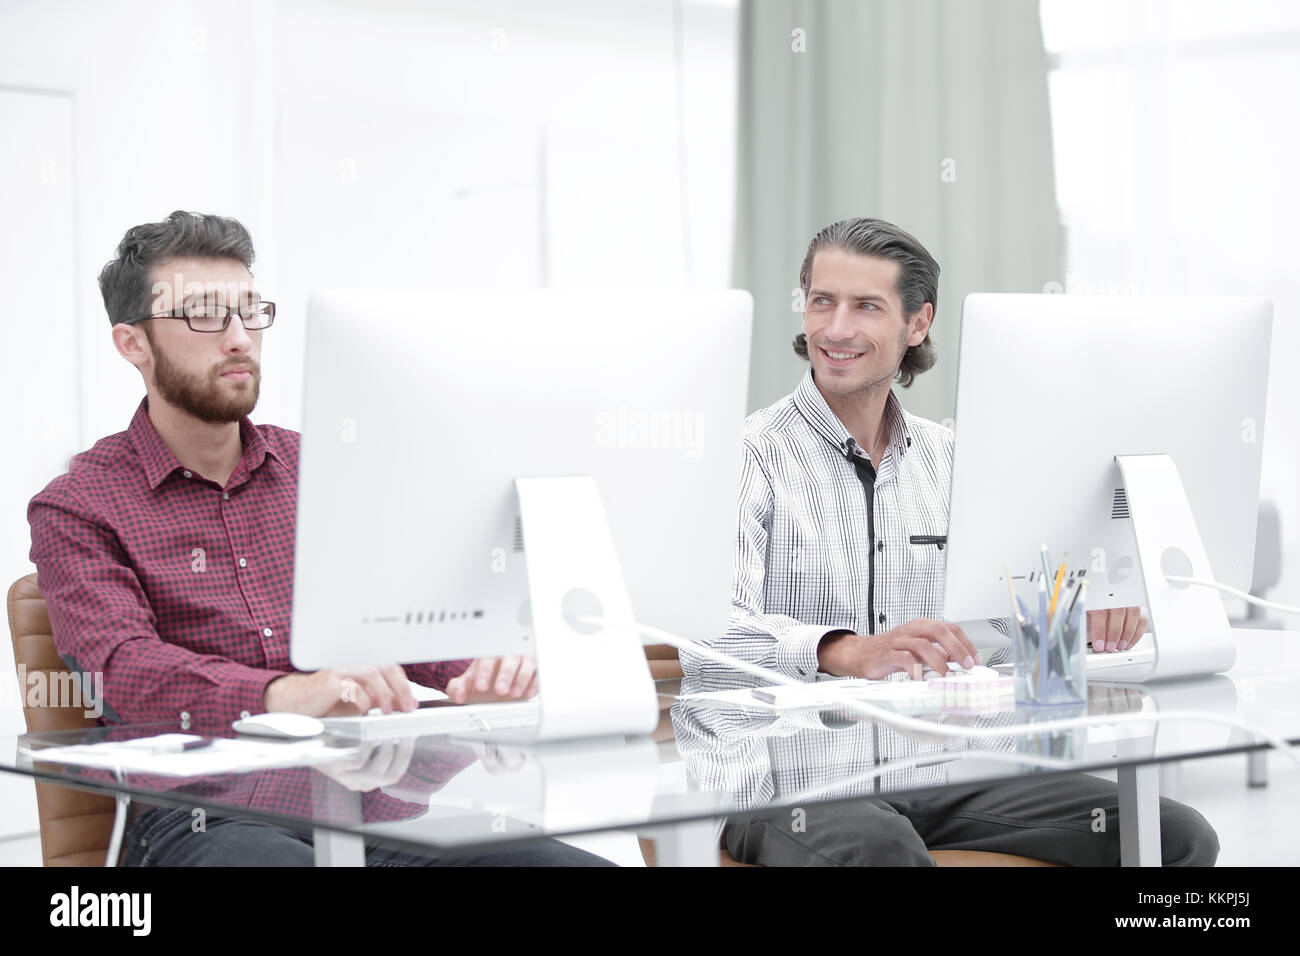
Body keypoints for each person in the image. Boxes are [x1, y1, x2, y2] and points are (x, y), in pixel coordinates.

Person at [28, 210, 609, 867]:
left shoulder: (324, 469)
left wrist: (469, 679)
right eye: (206, 317)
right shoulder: (77, 505)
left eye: (252, 313)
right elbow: (122, 672)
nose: (240, 338)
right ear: (132, 344)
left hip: (378, 814)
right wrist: (284, 694)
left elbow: (405, 625)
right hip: (209, 822)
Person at [687, 216, 1218, 866]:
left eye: (866, 306)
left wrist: (1071, 625)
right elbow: (704, 637)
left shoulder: (956, 461)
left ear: (917, 324)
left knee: (1176, 838)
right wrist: (844, 651)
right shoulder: (750, 455)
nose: (834, 328)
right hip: (791, 781)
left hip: (942, 772)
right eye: (821, 301)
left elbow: (998, 619)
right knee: (882, 850)